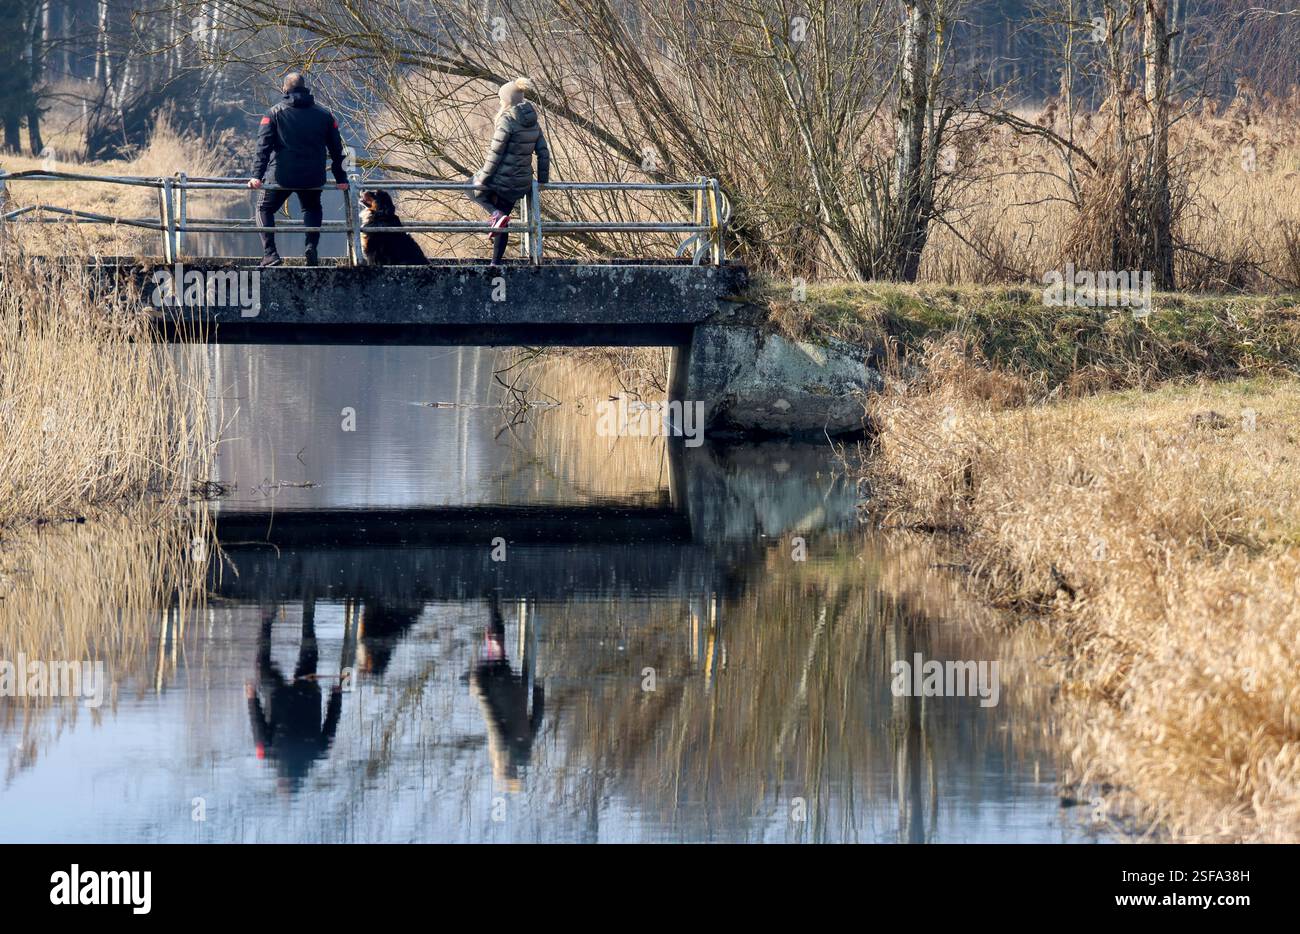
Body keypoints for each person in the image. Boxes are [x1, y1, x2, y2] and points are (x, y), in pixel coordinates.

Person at [248, 72, 348, 267]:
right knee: (311, 207)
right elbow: (338, 150)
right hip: (313, 176)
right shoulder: (325, 115)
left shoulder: (273, 113)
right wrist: (341, 178)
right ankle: (311, 247)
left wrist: (256, 176)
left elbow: (263, 148)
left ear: (284, 89)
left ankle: (271, 255)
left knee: (264, 208)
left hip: (281, 176)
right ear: (305, 88)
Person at [469, 77, 551, 266]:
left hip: (502, 181)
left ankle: (494, 213)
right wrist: (543, 180)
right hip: (521, 183)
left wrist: (484, 178)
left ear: (507, 100)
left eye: (500, 99)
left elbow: (495, 154)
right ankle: (495, 262)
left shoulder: (507, 120)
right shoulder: (533, 122)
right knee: (503, 222)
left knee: (470, 187)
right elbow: (543, 152)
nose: (499, 102)